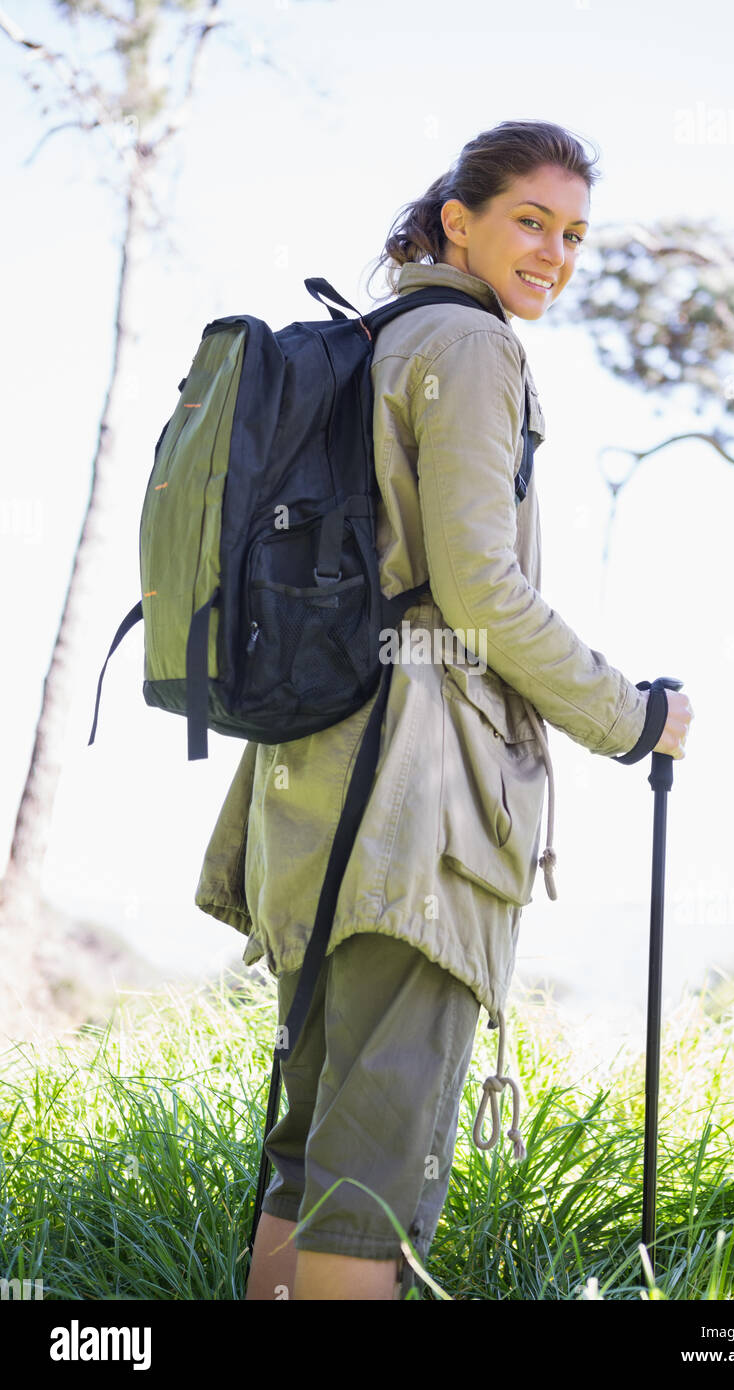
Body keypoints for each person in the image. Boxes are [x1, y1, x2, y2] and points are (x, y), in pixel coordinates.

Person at [194, 118, 694, 1302]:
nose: (554, 253)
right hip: (415, 812)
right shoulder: (470, 350)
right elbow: (481, 590)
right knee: (372, 1181)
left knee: (309, 1152)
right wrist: (630, 716)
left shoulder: (375, 340)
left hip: (309, 786)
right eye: (531, 220)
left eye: (572, 234)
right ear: (456, 221)